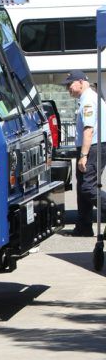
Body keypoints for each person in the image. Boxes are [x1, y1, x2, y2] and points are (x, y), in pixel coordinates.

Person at [62, 70, 106, 237]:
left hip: (93, 146)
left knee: (88, 186)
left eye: (69, 84)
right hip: (93, 146)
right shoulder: (88, 98)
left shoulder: (88, 100)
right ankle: (83, 226)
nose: (68, 89)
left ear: (80, 82)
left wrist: (83, 155)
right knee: (82, 188)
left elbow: (89, 130)